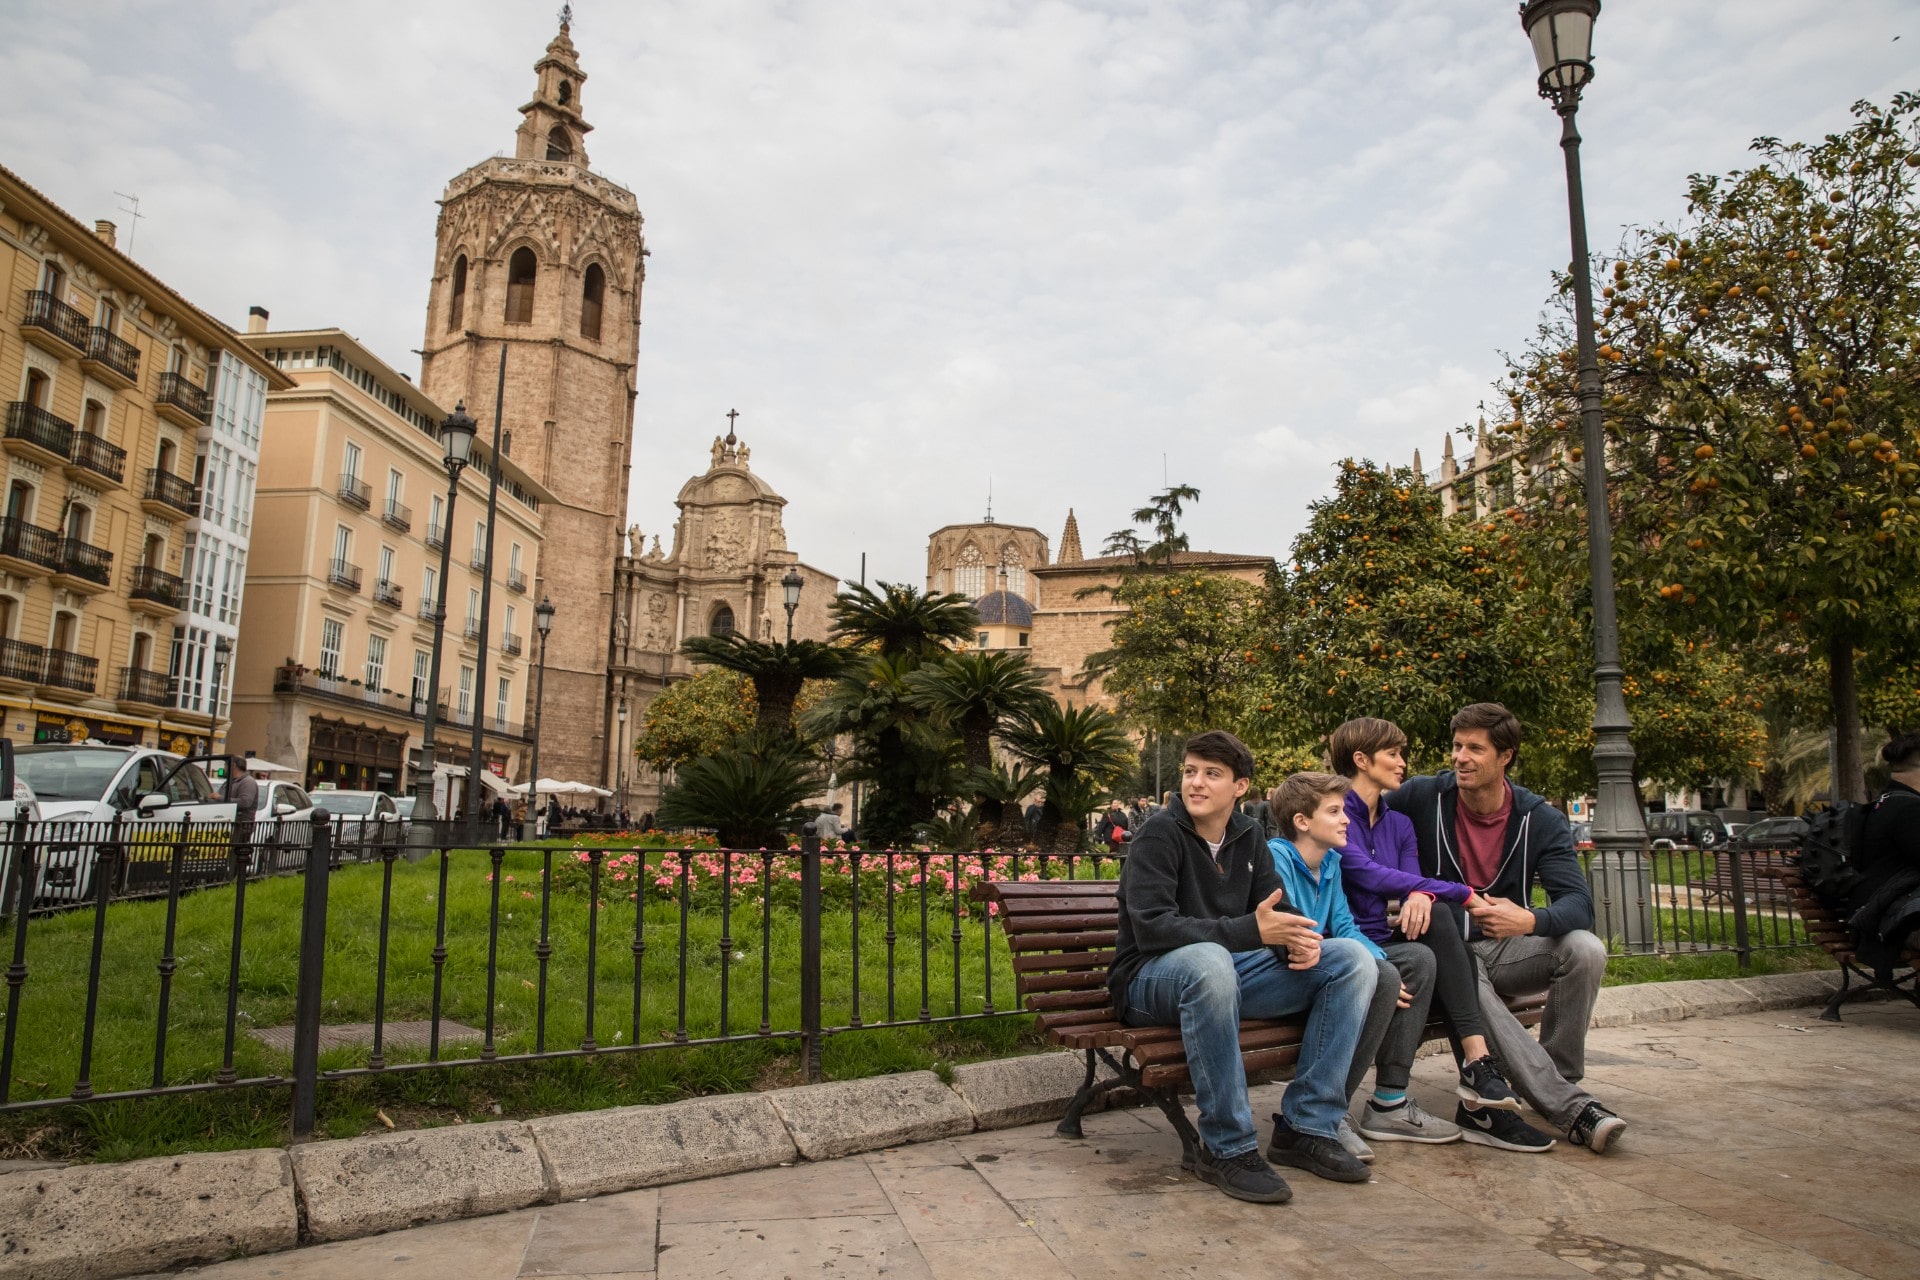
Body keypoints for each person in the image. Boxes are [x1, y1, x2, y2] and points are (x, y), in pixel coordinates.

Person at [1110, 730, 1377, 1204]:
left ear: (1240, 787)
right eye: (1190, 771)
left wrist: (1299, 944)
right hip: (1150, 982)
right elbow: (1153, 929)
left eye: (1212, 774)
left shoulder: (1249, 837)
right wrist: (1250, 934)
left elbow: (1278, 910)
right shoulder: (1158, 835)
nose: (1196, 783)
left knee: (1351, 959)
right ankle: (1226, 1148)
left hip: (1224, 977)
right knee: (1211, 961)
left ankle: (1307, 1127)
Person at [1386, 703, 1625, 1154]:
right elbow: (1356, 813)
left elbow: (1579, 906)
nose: (1460, 757)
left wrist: (1530, 919)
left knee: (1586, 948)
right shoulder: (1422, 797)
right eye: (1457, 746)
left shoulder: (1539, 819)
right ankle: (1570, 1107)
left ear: (1506, 756)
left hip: (1505, 947)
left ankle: (1552, 1077)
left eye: (1475, 748)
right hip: (1444, 954)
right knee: (1464, 977)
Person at [1327, 717, 1522, 1156]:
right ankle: (1327, 1109)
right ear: (1361, 760)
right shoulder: (1333, 813)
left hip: (1385, 940)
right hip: (1342, 944)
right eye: (1393, 754)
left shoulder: (1398, 824)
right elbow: (1367, 874)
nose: (1403, 763)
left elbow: (1411, 882)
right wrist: (1463, 892)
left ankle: (1396, 1100)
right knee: (1443, 914)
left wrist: (1425, 895)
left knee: (1426, 947)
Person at [1263, 770, 1414, 1165]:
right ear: (1302, 821)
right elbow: (1294, 932)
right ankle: (1317, 1117)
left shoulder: (1330, 861)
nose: (1347, 819)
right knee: (1370, 969)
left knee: (1390, 972)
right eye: (1334, 811)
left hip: (1320, 963)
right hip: (1283, 971)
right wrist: (1363, 963)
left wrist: (1377, 961)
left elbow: (1346, 926)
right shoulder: (1276, 858)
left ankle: (1332, 1111)